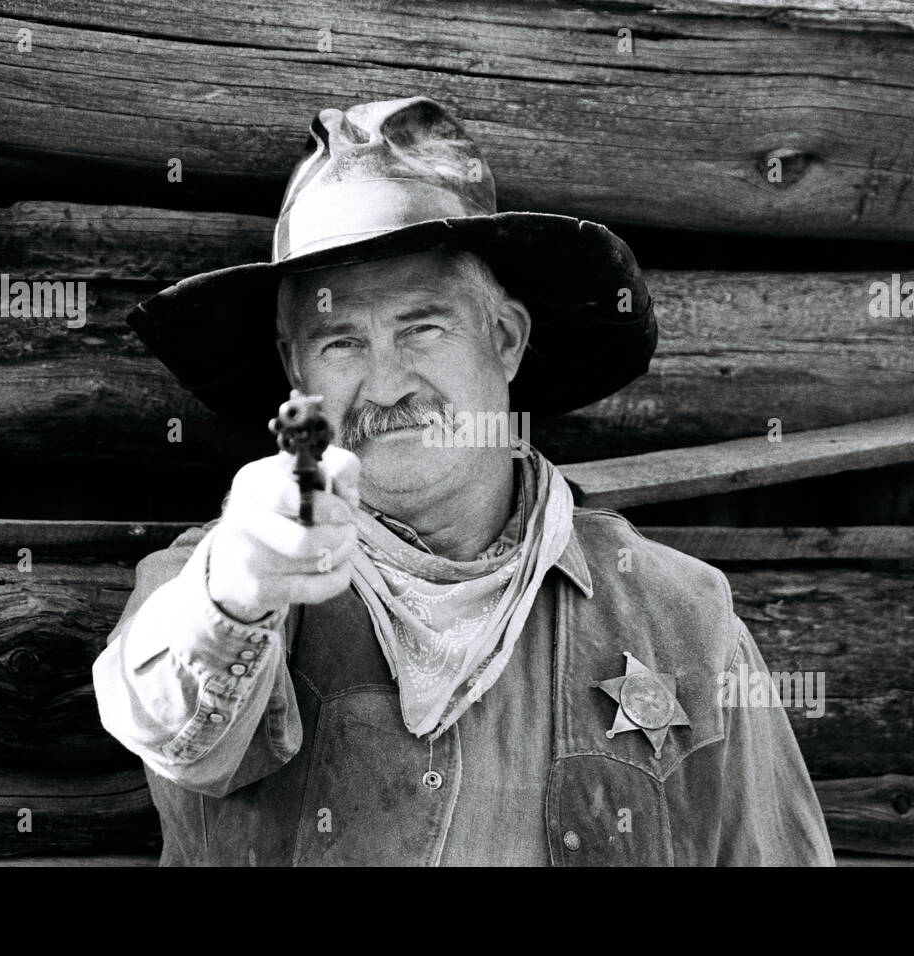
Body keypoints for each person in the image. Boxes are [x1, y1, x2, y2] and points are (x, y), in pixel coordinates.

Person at [92, 96, 834, 866]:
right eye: (341, 343)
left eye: (423, 328)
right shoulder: (222, 578)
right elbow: (168, 723)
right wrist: (236, 592)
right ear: (295, 373)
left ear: (505, 338)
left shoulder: (684, 620)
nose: (385, 387)